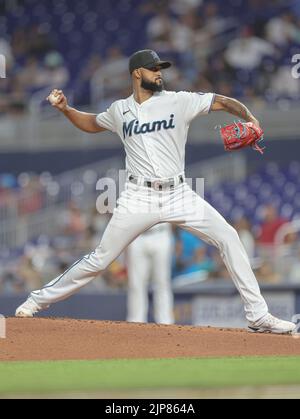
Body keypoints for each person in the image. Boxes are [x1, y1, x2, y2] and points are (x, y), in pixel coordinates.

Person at [16, 49, 296, 334]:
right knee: (100, 258)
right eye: (153, 68)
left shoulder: (179, 100)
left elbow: (222, 102)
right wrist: (65, 109)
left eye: (160, 68)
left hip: (179, 193)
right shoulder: (119, 110)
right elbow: (91, 123)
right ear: (137, 73)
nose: (159, 73)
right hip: (139, 196)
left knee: (229, 237)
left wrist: (250, 117)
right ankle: (35, 301)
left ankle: (258, 315)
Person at [127, 223, 174, 324]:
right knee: (136, 283)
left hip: (160, 233)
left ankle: (165, 322)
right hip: (137, 235)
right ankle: (136, 321)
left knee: (162, 282)